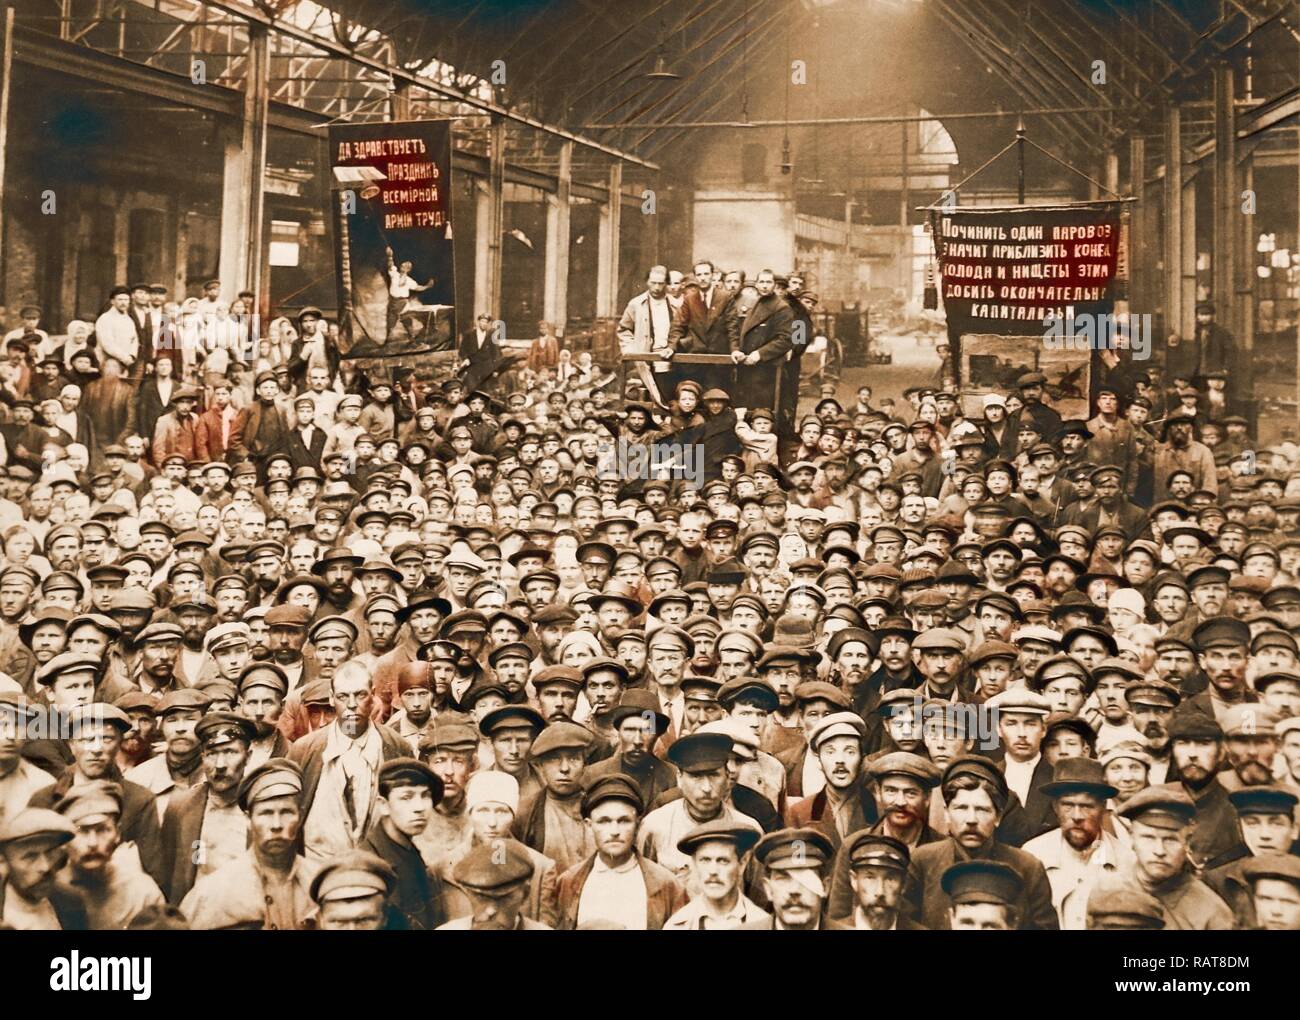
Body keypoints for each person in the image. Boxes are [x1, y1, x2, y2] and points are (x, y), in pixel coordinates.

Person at [179, 758, 319, 929]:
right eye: (266, 813)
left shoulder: (318, 884)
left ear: (300, 817)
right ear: (248, 819)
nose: (276, 824)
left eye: (286, 812)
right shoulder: (214, 892)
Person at [554, 774, 687, 929]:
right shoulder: (569, 882)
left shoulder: (666, 884)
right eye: (604, 821)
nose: (614, 831)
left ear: (637, 825)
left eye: (624, 821)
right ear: (589, 826)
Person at [663, 818, 768, 929]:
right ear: (694, 864)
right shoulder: (676, 926)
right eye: (705, 860)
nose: (713, 871)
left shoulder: (764, 924)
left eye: (723, 861)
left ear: (742, 864)